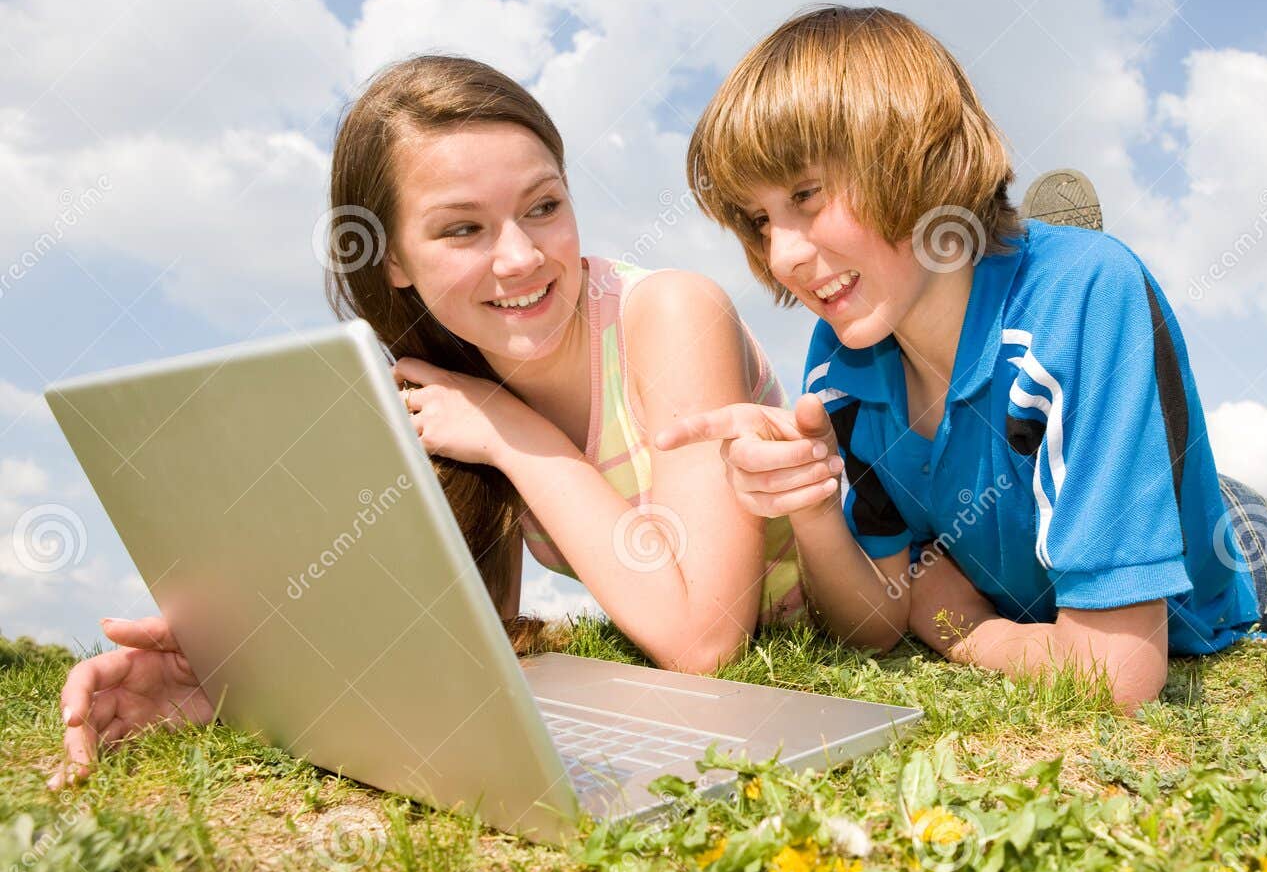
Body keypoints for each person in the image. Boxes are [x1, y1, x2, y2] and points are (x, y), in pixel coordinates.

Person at [658, 5, 1267, 713]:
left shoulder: (1083, 290)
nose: (784, 255)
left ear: (907, 153)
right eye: (760, 221)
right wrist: (811, 505)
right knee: (1071, 322)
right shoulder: (840, 358)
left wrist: (968, 630)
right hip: (1076, 505)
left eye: (805, 196)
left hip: (1233, 549)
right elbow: (875, 623)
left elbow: (1118, 672)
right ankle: (1075, 370)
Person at [49, 56, 804, 789]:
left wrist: (513, 435)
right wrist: (221, 680)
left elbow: (704, 638)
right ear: (393, 261)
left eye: (544, 207)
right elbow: (443, 643)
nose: (520, 257)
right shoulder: (447, 388)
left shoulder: (671, 314)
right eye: (462, 229)